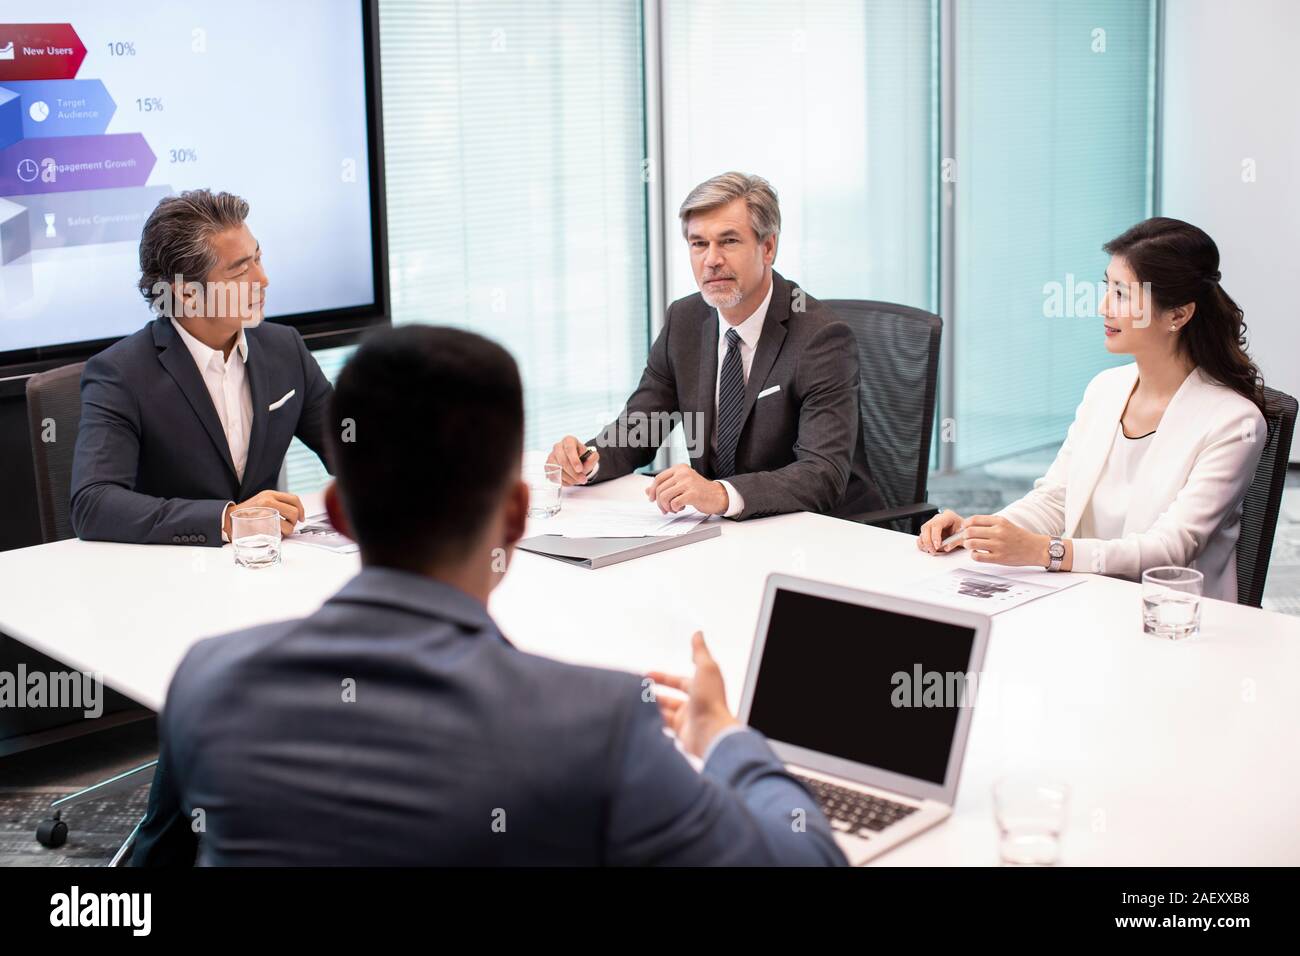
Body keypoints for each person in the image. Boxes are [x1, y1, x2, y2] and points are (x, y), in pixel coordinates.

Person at [154, 325, 846, 865]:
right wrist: (725, 736)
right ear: (516, 519)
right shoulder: (600, 724)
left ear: (336, 513)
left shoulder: (205, 682)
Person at [918, 218, 1267, 603]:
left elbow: (1171, 548)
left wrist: (1045, 552)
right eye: (1107, 288)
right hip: (1085, 598)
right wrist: (975, 531)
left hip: (1169, 619)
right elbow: (1056, 499)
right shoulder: (1106, 389)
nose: (1103, 307)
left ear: (1178, 315)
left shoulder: (1233, 422)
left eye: (1122, 294)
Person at [548, 171, 884, 520]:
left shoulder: (821, 337)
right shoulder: (685, 320)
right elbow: (641, 427)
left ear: (768, 247)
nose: (711, 260)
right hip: (725, 532)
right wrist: (586, 460)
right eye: (698, 244)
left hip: (820, 534)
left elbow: (822, 474)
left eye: (729, 241)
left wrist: (721, 494)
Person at [71, 188, 333, 547]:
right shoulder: (120, 373)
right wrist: (227, 519)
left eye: (258, 258)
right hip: (171, 580)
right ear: (186, 293)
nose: (263, 279)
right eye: (241, 270)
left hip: (267, 568)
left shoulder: (284, 347)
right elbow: (94, 503)